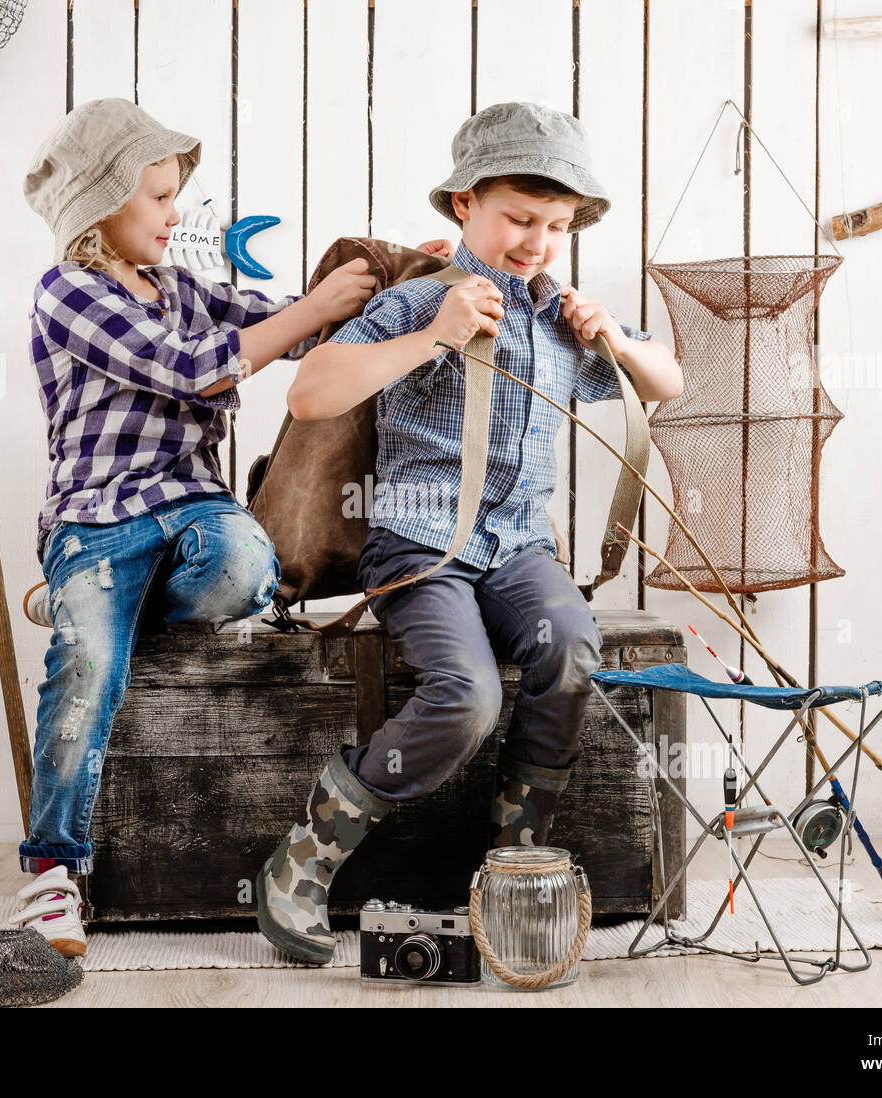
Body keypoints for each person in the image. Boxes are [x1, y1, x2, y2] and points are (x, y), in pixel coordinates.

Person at [10, 97, 447, 957]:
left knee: (249, 566)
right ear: (101, 206)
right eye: (159, 197)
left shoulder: (177, 285)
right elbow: (197, 371)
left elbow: (273, 323)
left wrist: (397, 281)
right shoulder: (68, 291)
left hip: (194, 507)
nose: (178, 215)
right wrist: (313, 304)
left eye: (177, 195)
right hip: (98, 518)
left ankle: (95, 606)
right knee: (87, 664)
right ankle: (53, 869)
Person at [256, 101, 684, 964]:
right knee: (468, 695)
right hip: (422, 548)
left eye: (556, 225)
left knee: (571, 646)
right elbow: (310, 395)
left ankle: (512, 864)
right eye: (520, 218)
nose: (537, 240)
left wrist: (616, 343)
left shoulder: (560, 320)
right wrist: (431, 338)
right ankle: (305, 857)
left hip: (521, 550)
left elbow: (668, 380)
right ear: (463, 205)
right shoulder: (418, 301)